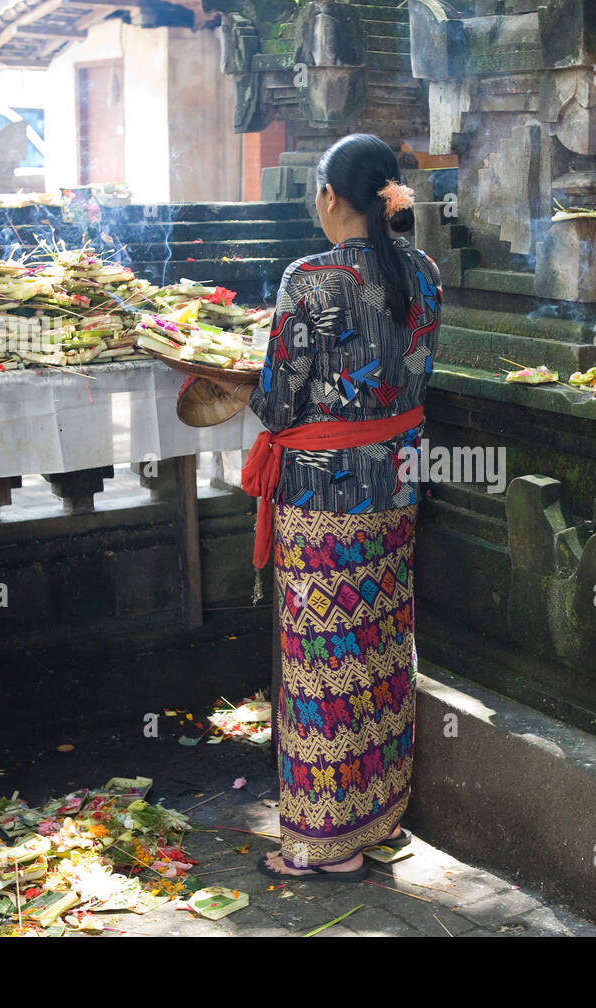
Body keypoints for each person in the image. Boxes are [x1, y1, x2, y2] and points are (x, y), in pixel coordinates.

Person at [226, 133, 441, 881]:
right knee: (378, 654)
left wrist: (230, 377)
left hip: (321, 499)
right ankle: (374, 819)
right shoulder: (424, 271)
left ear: (328, 197)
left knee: (321, 663)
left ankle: (322, 842)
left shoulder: (307, 279)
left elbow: (281, 403)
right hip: (395, 490)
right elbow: (413, 382)